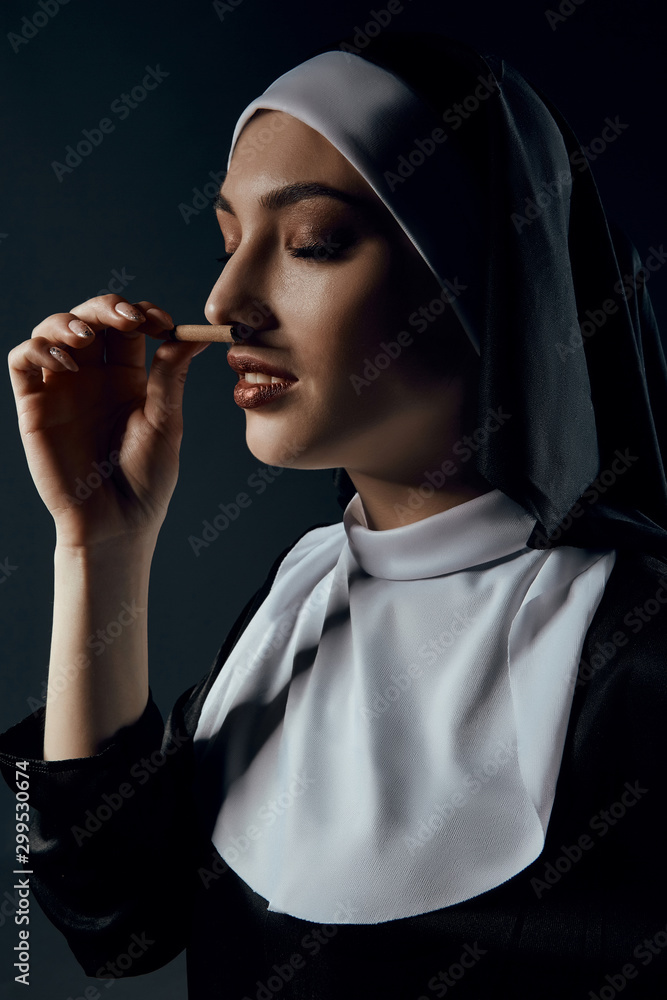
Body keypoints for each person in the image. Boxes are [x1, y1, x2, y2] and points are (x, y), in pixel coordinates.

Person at [1, 29, 667, 1000]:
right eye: (229, 241)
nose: (228, 299)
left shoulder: (636, 651)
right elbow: (113, 927)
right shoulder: (299, 592)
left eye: (311, 242)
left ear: (478, 273)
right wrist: (98, 545)